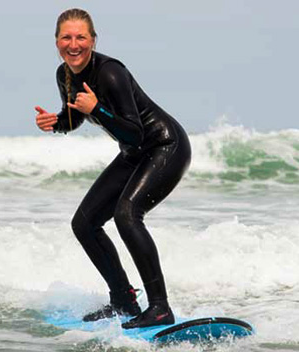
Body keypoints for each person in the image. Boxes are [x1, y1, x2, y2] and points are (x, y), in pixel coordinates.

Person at [34, 8, 191, 329]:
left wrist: (98, 110)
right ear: (56, 42)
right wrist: (57, 123)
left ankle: (160, 307)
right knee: (85, 223)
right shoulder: (64, 74)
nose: (73, 44)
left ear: (93, 40)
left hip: (165, 145)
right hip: (135, 152)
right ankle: (123, 300)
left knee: (127, 214)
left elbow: (135, 130)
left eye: (81, 37)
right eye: (66, 37)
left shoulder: (110, 72)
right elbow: (77, 116)